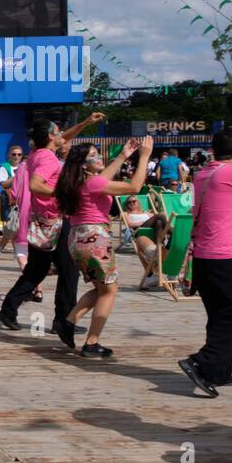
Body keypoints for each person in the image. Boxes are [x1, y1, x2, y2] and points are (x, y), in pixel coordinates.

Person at [0, 113, 105, 339]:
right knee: (69, 271)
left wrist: (86, 123)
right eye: (57, 132)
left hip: (43, 218)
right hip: (56, 219)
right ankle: (63, 319)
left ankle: (8, 309)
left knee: (36, 269)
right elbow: (36, 185)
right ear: (49, 136)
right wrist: (63, 192)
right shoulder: (47, 158)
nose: (62, 136)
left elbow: (64, 137)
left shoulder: (38, 152)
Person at [54, 137, 153, 356]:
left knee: (101, 288)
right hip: (94, 238)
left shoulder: (79, 182)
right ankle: (91, 343)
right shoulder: (94, 183)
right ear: (83, 164)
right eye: (94, 155)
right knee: (110, 290)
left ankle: (67, 322)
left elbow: (104, 176)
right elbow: (135, 187)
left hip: (77, 237)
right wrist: (144, 156)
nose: (99, 157)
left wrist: (123, 155)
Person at [178, 127, 232, 396]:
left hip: (205, 256)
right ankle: (201, 362)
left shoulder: (203, 173)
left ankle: (218, 372)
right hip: (226, 255)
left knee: (219, 315)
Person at [0, 145, 23, 258]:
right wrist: (18, 175)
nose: (16, 156)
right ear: (9, 155)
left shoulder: (24, 166)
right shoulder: (4, 167)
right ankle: (7, 248)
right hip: (9, 199)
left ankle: (3, 247)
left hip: (22, 199)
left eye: (19, 154)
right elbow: (4, 184)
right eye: (14, 154)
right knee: (12, 227)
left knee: (18, 227)